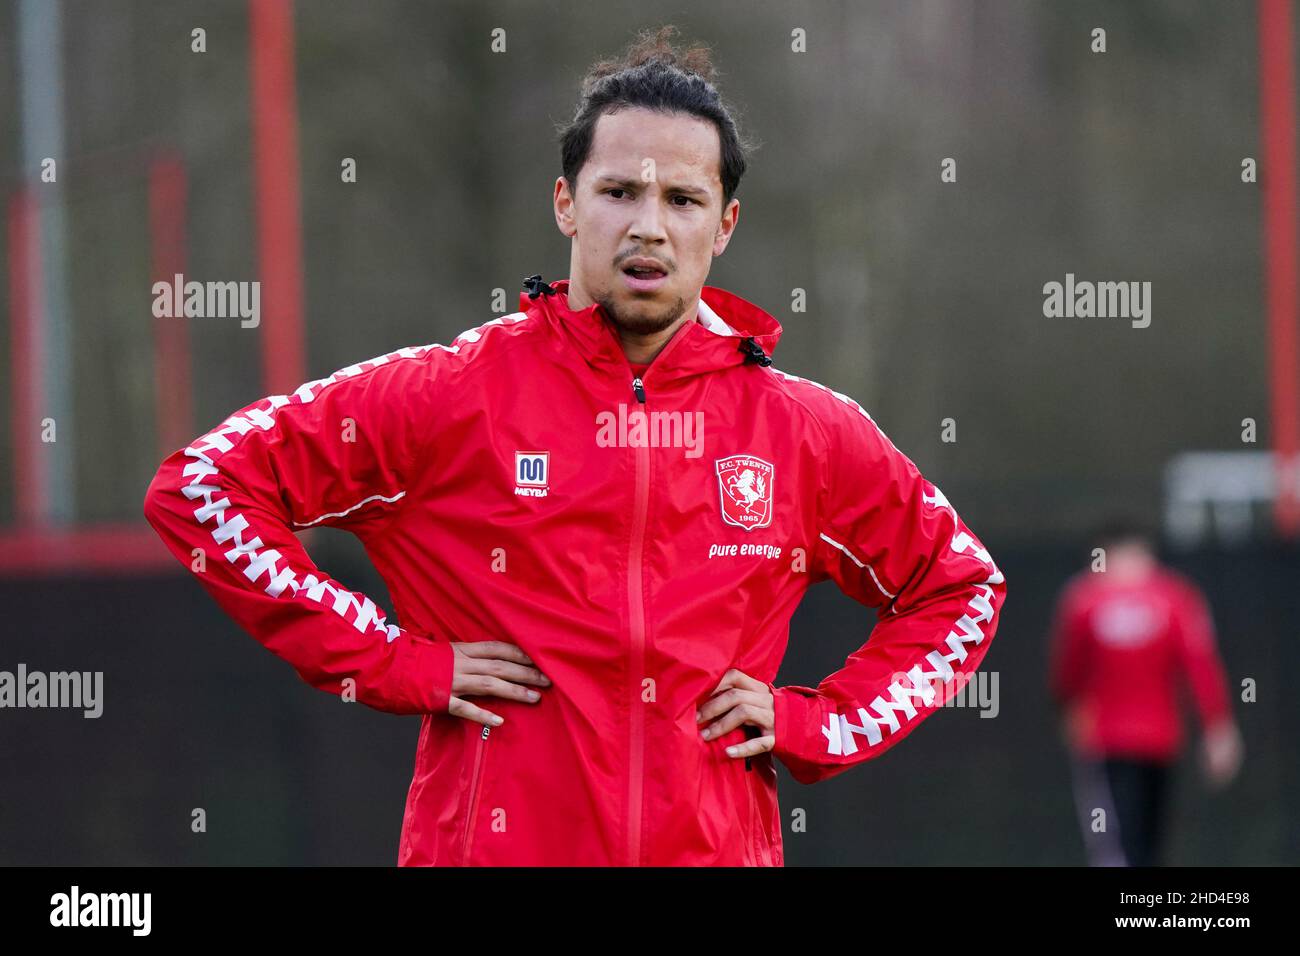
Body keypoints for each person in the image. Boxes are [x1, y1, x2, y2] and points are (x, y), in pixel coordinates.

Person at [143, 25, 1007, 866]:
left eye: (682, 199)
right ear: (565, 201)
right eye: (619, 191)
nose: (649, 227)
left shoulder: (804, 432)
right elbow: (201, 487)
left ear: (726, 223)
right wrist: (394, 660)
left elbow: (960, 589)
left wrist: (815, 722)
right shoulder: (451, 394)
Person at [1048, 517, 1243, 867]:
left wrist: (1068, 708)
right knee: (1145, 845)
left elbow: (1067, 673)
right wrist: (1218, 726)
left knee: (1116, 845)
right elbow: (1202, 665)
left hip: (1109, 741)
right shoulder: (1174, 597)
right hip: (1156, 740)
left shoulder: (1086, 599)